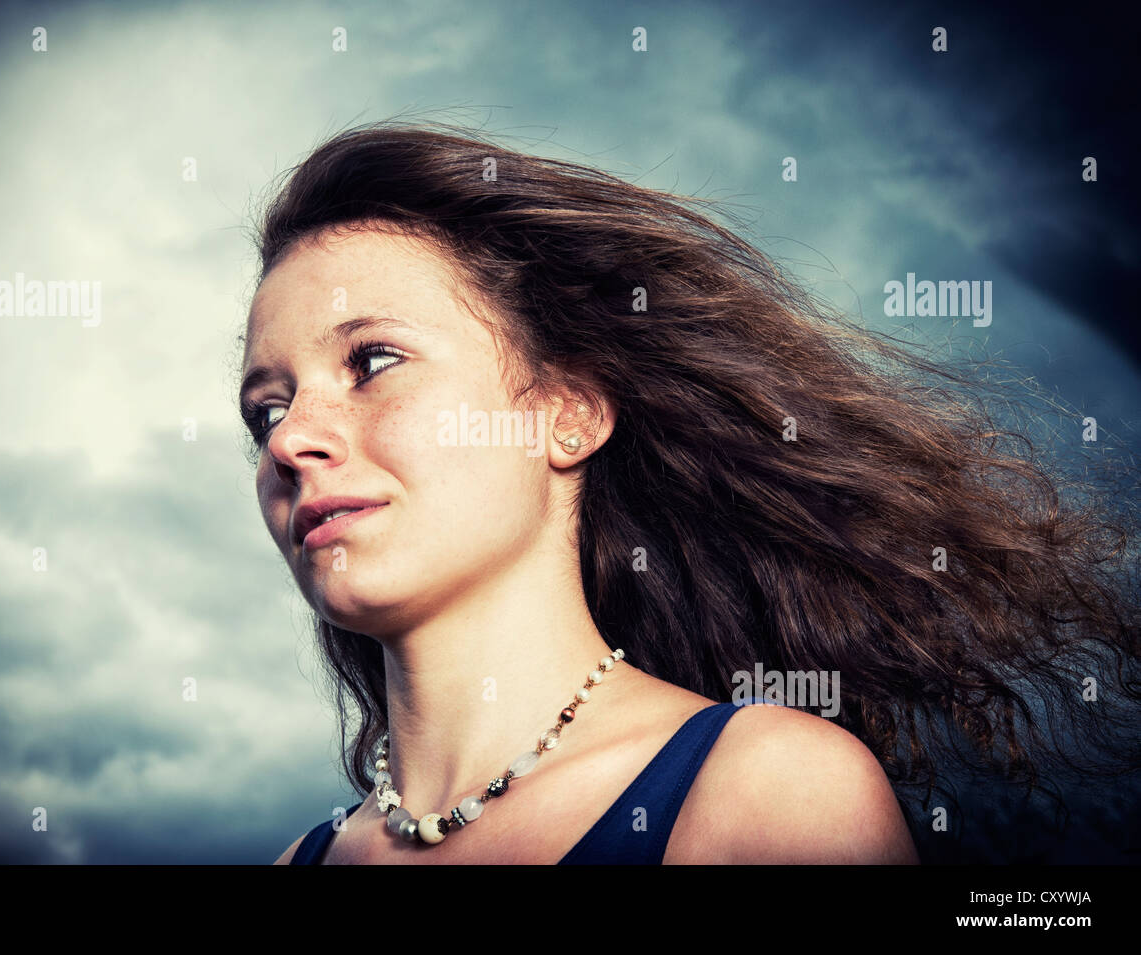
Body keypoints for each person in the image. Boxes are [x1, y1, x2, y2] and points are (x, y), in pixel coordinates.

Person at [239, 120, 1140, 865]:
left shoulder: (771, 799)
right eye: (265, 408)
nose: (289, 437)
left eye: (374, 360)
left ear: (569, 413)